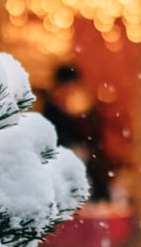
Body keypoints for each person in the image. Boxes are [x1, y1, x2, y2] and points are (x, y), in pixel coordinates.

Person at [39, 64, 111, 200]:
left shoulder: (80, 115)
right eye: (66, 89)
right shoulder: (50, 115)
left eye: (72, 89)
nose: (69, 93)